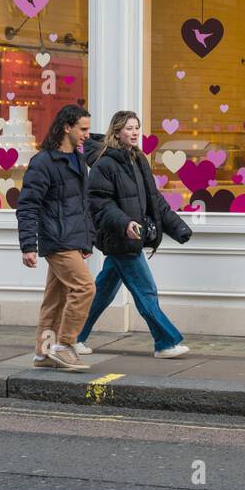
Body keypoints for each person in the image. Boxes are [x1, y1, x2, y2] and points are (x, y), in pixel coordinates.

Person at [80, 110, 193, 358]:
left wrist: (177, 227)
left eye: (137, 127)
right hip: (121, 238)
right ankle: (165, 342)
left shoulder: (138, 159)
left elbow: (155, 200)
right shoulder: (104, 163)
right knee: (146, 290)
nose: (134, 132)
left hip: (133, 236)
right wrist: (125, 223)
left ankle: (74, 336)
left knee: (102, 292)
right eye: (129, 128)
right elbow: (100, 203)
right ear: (117, 131)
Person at [16, 103, 97, 371]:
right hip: (57, 239)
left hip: (72, 238)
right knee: (85, 287)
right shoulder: (44, 162)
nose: (87, 134)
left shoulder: (78, 158)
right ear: (67, 127)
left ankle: (43, 352)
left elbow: (82, 204)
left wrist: (87, 240)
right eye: (82, 129)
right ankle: (64, 345)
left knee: (56, 298)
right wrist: (29, 245)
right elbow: (27, 206)